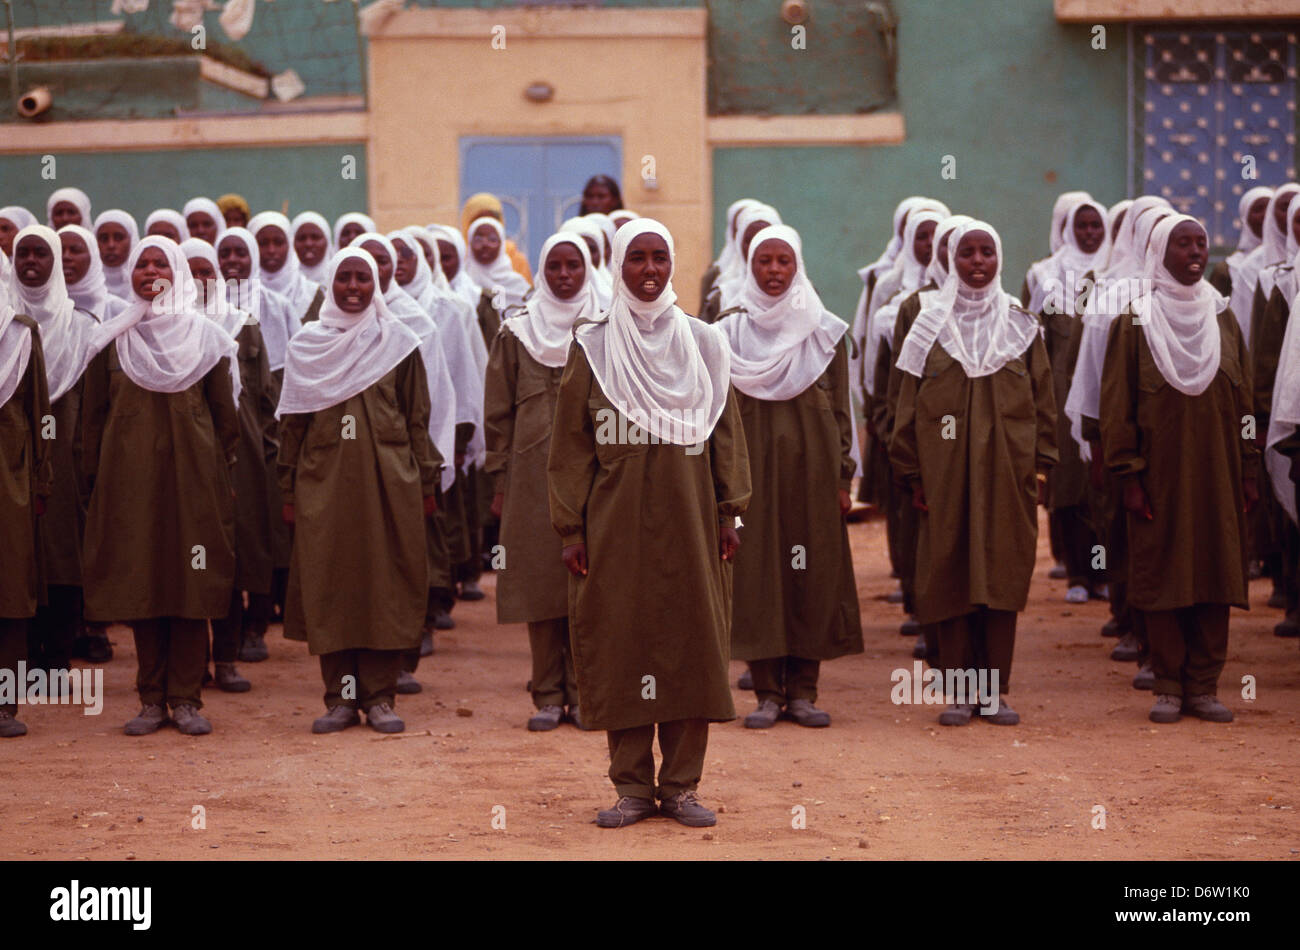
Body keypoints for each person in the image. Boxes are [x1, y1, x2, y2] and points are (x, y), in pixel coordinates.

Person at [548, 218, 750, 828]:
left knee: (692, 643)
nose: (649, 270)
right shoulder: (594, 347)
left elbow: (725, 438)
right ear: (618, 265)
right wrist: (571, 529)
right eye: (636, 258)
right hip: (616, 528)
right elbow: (571, 448)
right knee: (623, 642)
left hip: (693, 526)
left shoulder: (705, 343)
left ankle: (682, 786)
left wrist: (728, 511)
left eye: (659, 257)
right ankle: (632, 786)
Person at [891, 221, 1057, 727]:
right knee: (951, 575)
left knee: (1001, 576)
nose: (978, 262)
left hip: (1007, 479)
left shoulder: (1022, 324)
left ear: (1000, 259)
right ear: (950, 260)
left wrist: (1041, 473)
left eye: (987, 251)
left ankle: (996, 691)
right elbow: (905, 407)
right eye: (967, 253)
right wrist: (916, 476)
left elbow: (1044, 406)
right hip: (944, 480)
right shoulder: (924, 322)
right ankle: (960, 691)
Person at [277, 247, 441, 735]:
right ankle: (341, 700)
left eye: (362, 278)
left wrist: (427, 482)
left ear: (377, 285)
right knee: (332, 586)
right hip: (322, 488)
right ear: (330, 284)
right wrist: (289, 489)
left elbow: (417, 419)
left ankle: (381, 697)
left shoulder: (399, 343)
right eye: (344, 277)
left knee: (383, 586)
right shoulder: (306, 346)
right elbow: (292, 427)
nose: (353, 287)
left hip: (390, 486)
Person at [1099, 215, 1256, 723]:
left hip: (1219, 476)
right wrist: (1128, 475)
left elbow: (1246, 403)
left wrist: (1249, 469)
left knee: (1215, 573)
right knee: (1162, 573)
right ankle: (1167, 685)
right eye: (1181, 243)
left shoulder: (1224, 316)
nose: (1193, 252)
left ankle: (1204, 686)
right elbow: (1117, 406)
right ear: (1158, 253)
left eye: (1200, 243)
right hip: (1159, 478)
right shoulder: (1136, 320)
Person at [81, 236, 240, 736]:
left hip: (193, 486)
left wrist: (216, 478)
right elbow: (91, 422)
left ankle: (187, 699)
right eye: (141, 263)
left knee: (191, 585)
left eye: (160, 263)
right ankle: (151, 699)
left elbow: (224, 421)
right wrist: (96, 487)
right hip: (131, 489)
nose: (150, 271)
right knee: (143, 582)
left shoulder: (207, 339)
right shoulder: (111, 339)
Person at [716, 224, 862, 728]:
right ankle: (766, 693)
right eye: (764, 262)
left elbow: (843, 412)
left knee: (810, 574)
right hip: (751, 476)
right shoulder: (727, 332)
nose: (774, 271)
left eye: (784, 261)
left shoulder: (824, 330)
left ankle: (803, 690)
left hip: (813, 476)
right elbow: (716, 415)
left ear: (798, 266)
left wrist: (844, 479)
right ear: (749, 267)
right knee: (757, 576)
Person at [486, 233, 598, 731]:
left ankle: (585, 691)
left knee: (588, 581)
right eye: (554, 266)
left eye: (574, 265)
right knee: (539, 582)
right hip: (529, 476)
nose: (564, 276)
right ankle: (547, 694)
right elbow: (497, 412)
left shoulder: (606, 327)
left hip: (594, 473)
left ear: (588, 268)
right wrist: (499, 480)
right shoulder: (516, 332)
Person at [9, 225, 101, 698]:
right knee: (20, 556)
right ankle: (18, 668)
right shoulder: (7, 321)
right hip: (15, 457)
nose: (31, 262)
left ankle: (56, 660)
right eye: (22, 253)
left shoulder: (81, 324)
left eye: (41, 254)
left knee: (62, 550)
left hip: (67, 450)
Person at [183, 236, 269, 693]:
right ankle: (191, 663)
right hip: (189, 460)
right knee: (191, 559)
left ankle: (228, 659)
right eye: (190, 270)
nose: (200, 280)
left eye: (207, 272)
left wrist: (263, 457)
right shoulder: (164, 328)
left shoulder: (243, 325)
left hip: (241, 458)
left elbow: (264, 400)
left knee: (231, 560)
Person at [1027, 198, 1111, 603]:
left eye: (1097, 225)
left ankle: (1103, 572)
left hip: (1102, 392)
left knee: (1103, 481)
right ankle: (1078, 573)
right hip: (1061, 393)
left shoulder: (1116, 274)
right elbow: (1034, 340)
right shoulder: (1045, 275)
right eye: (1083, 226)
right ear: (1067, 229)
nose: (1091, 233)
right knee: (1069, 485)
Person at [0, 273, 53, 737]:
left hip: (9, 480)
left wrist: (41, 480)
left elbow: (43, 413)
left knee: (11, 590)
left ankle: (4, 705)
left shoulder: (19, 332)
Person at [1208, 186, 1272, 303]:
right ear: (1245, 218)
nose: (1265, 216)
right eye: (1258, 210)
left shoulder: (1292, 262)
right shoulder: (1227, 270)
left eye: (1270, 210)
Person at [460, 193, 532, 283]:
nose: (486, 224)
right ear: (467, 222)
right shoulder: (458, 257)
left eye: (492, 219)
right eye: (479, 220)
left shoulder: (515, 258)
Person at [465, 216, 531, 311]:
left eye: (492, 240)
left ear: (502, 244)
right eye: (478, 240)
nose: (485, 245)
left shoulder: (517, 285)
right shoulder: (463, 282)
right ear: (470, 244)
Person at [94, 209, 139, 304]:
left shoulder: (145, 282)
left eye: (119, 238)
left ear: (132, 240)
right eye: (104, 239)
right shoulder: (85, 286)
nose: (111, 245)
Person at [290, 211, 333, 286]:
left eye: (315, 237)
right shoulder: (284, 284)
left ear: (327, 241)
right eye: (301, 238)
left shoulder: (336, 279)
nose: (308, 244)